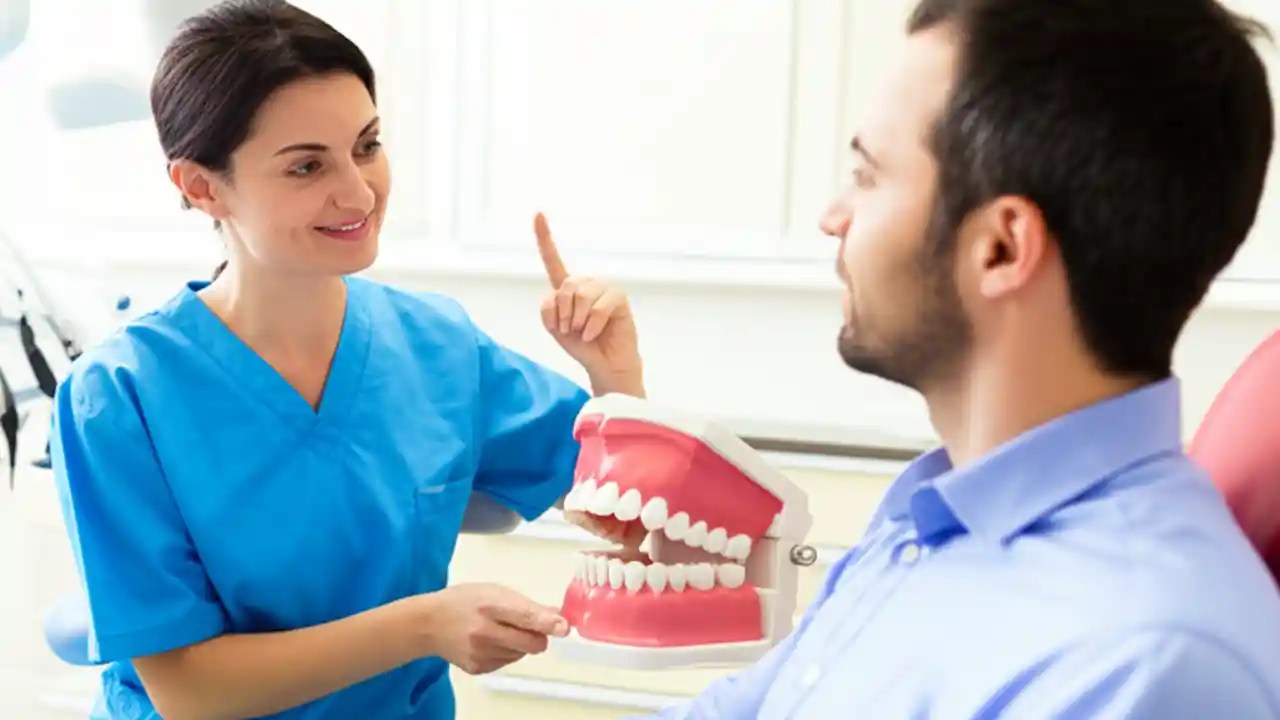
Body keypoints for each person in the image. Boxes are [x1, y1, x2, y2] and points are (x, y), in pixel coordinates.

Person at [642, 0, 1280, 718]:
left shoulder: (1145, 663)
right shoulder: (936, 517)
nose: (832, 216)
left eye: (868, 175)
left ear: (1001, 248)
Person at [48, 1, 644, 718]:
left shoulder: (439, 348)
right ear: (201, 186)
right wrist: (423, 626)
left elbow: (641, 525)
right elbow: (189, 690)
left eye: (367, 144)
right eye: (306, 166)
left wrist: (615, 377)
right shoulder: (119, 397)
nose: (360, 193)